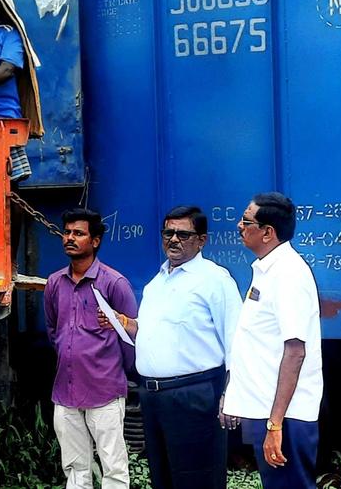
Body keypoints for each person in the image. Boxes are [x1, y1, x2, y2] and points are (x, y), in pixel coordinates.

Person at [101, 206, 240, 489]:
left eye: (183, 234)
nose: (174, 239)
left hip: (194, 395)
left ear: (201, 240)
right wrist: (124, 323)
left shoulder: (214, 280)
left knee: (197, 478)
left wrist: (233, 393)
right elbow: (153, 332)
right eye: (168, 232)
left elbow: (236, 339)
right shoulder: (158, 281)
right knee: (163, 477)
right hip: (154, 397)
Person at [221, 193, 323, 489]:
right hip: (268, 410)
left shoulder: (288, 274)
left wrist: (275, 424)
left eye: (246, 221)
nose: (239, 226)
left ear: (268, 232)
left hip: (284, 417)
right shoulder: (268, 269)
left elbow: (295, 352)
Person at [43, 207, 137, 489]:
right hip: (66, 391)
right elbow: (53, 331)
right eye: (67, 232)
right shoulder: (54, 283)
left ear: (95, 241)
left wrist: (116, 374)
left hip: (105, 391)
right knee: (74, 468)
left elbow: (131, 338)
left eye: (79, 233)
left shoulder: (114, 283)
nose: (70, 238)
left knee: (114, 469)